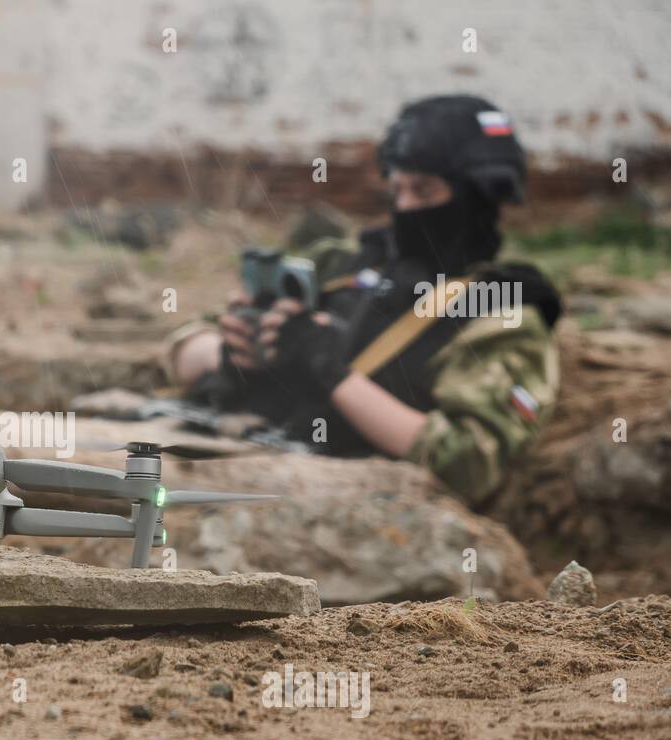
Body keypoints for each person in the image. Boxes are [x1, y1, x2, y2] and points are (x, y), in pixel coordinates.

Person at [169, 95, 563, 506]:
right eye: (398, 189)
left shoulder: (500, 312)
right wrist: (238, 351)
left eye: (424, 191)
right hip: (235, 457)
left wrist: (332, 372)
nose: (406, 207)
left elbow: (464, 462)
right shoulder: (340, 264)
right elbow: (182, 348)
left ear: (478, 198)